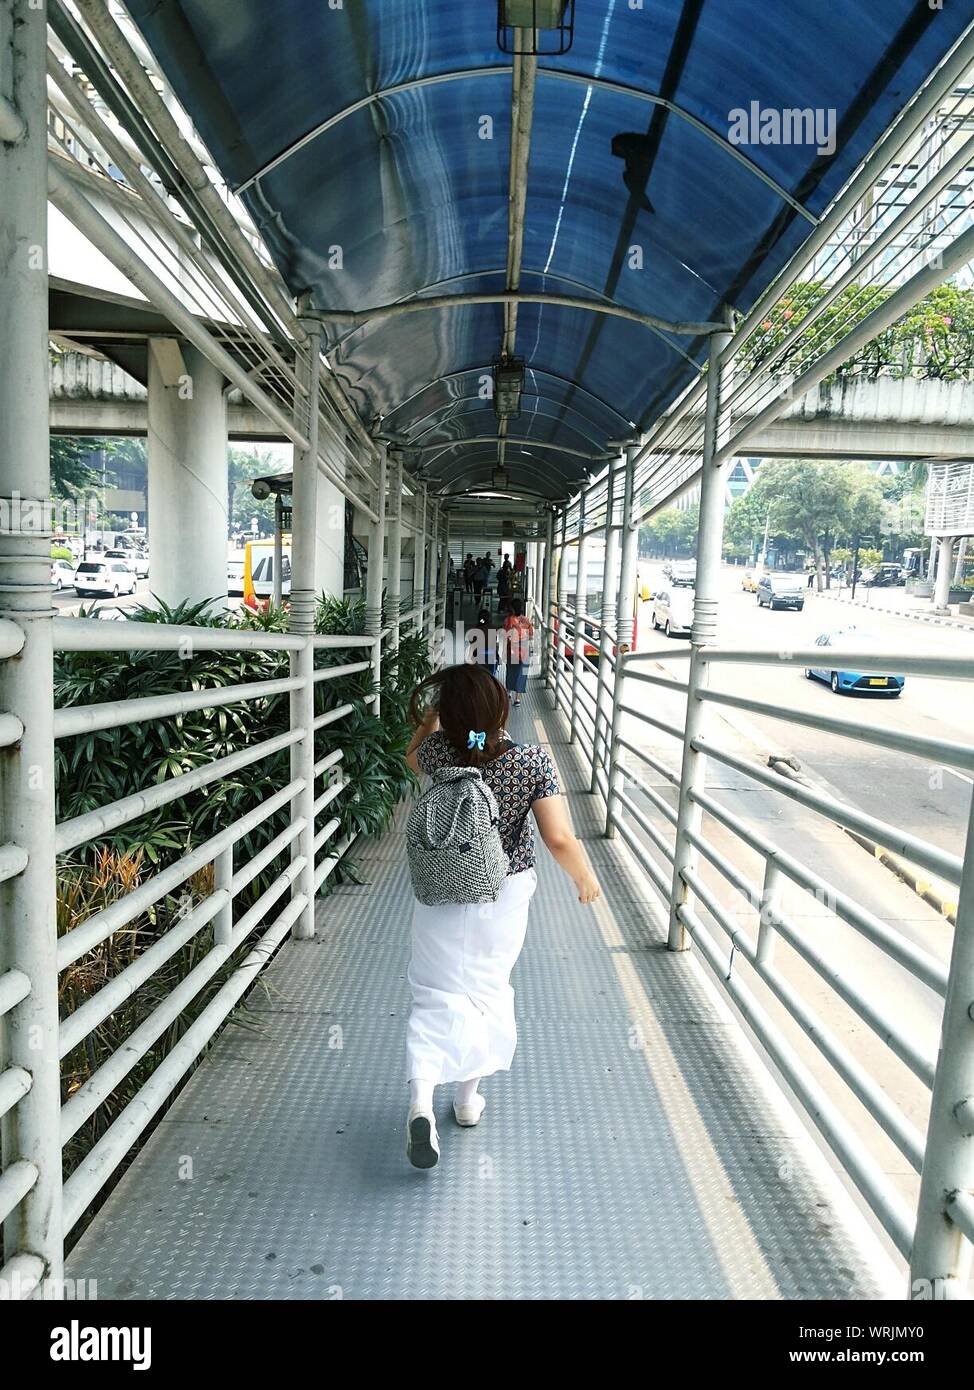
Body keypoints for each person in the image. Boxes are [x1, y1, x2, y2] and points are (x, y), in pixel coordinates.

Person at [404, 665, 600, 1168]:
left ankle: (421, 1102)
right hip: (505, 891)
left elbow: (410, 758)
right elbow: (558, 837)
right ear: (504, 709)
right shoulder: (532, 761)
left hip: (443, 887)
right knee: (487, 989)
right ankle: (467, 1101)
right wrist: (583, 877)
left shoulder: (438, 752)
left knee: (434, 993)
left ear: (447, 715)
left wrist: (431, 720)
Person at [503, 597, 533, 706]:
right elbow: (531, 635)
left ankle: (508, 692)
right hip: (524, 649)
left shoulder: (508, 620)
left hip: (512, 649)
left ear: (512, 608)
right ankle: (518, 699)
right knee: (522, 674)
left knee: (511, 671)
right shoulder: (526, 620)